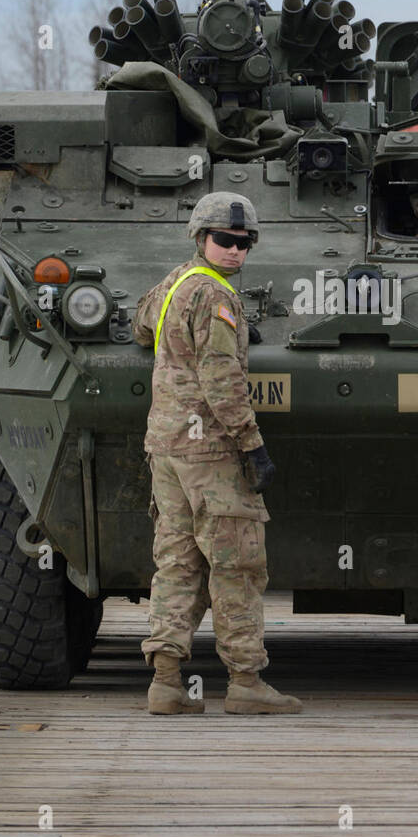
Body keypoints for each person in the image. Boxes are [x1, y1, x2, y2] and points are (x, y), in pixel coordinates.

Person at [133, 192, 301, 716]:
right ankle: (246, 681)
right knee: (237, 564)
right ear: (201, 239)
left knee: (177, 562)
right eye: (224, 240)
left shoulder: (174, 284)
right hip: (209, 450)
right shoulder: (217, 297)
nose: (235, 250)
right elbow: (222, 379)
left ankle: (165, 682)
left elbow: (142, 327)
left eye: (243, 242)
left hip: (166, 446)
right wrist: (252, 444)